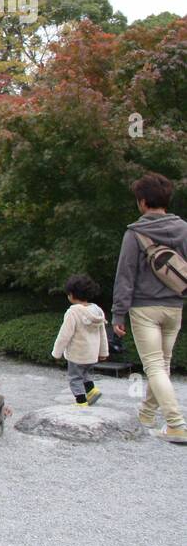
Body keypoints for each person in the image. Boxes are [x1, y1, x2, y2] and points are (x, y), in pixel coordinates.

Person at [112, 172, 187, 444]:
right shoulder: (184, 229)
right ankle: (146, 414)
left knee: (154, 366)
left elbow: (126, 275)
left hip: (144, 308)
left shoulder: (135, 233)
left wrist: (118, 313)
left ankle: (176, 424)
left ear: (143, 202)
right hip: (174, 307)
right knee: (162, 364)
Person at [51, 275, 108, 406]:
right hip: (91, 354)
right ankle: (92, 391)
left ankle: (81, 402)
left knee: (75, 378)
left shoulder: (73, 312)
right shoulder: (97, 311)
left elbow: (64, 335)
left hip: (77, 354)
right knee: (85, 373)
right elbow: (102, 333)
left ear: (71, 295)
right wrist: (103, 352)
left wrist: (56, 353)